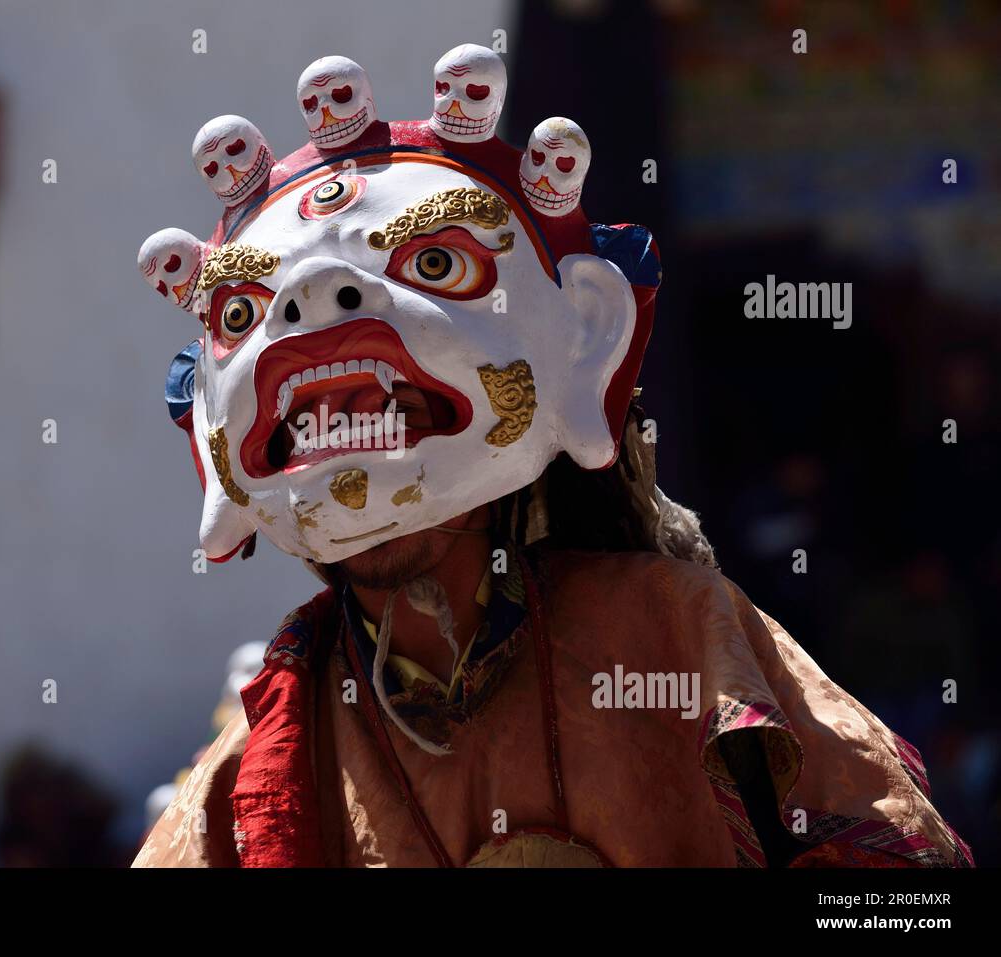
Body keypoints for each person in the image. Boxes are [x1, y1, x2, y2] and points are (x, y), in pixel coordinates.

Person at [131, 45, 972, 867]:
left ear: (586, 333)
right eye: (241, 315)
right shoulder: (262, 757)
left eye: (435, 262)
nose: (313, 309)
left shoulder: (673, 630)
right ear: (208, 425)